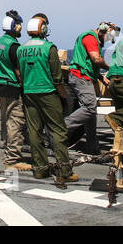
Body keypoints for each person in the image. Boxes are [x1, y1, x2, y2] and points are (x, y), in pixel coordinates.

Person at [18, 13, 77, 182]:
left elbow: (20, 74)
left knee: (34, 132)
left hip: (29, 93)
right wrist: (64, 96)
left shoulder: (21, 49)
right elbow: (57, 77)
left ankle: (40, 169)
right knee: (58, 131)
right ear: (42, 29)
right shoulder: (49, 48)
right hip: (48, 93)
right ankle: (64, 170)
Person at [65, 21, 118, 155]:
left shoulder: (94, 39)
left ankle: (92, 146)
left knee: (91, 112)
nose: (107, 40)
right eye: (108, 37)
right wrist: (111, 68)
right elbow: (96, 59)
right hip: (81, 77)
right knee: (89, 107)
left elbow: (89, 63)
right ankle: (61, 130)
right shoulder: (90, 38)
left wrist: (100, 77)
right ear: (102, 31)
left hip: (84, 76)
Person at [0, 10, 31, 171]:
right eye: (19, 24)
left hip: (1, 86)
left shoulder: (0, 42)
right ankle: (13, 160)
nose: (21, 27)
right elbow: (18, 70)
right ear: (13, 26)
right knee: (16, 122)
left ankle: (8, 153)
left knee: (6, 121)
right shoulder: (14, 46)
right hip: (13, 87)